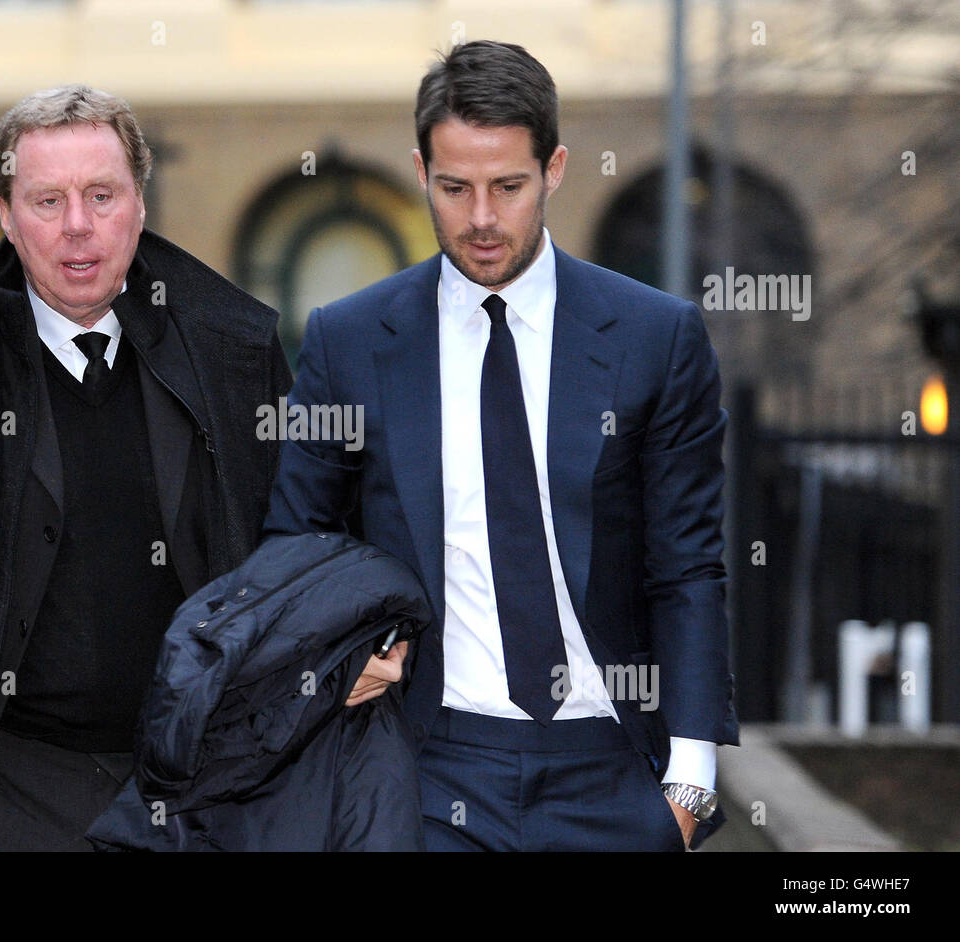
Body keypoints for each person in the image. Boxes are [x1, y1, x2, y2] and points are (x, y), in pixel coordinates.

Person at [263, 40, 739, 851]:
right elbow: (296, 546)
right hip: (427, 764)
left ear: (553, 169)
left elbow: (688, 562)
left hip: (612, 767)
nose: (482, 218)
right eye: (455, 188)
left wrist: (690, 782)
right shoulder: (349, 342)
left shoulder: (655, 338)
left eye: (508, 186)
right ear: (421, 174)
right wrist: (346, 658)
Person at [0, 85, 292, 851]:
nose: (78, 225)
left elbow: (294, 538)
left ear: (140, 201)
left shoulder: (235, 350)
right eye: (46, 199)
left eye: (102, 194)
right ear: (5, 214)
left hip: (195, 786)